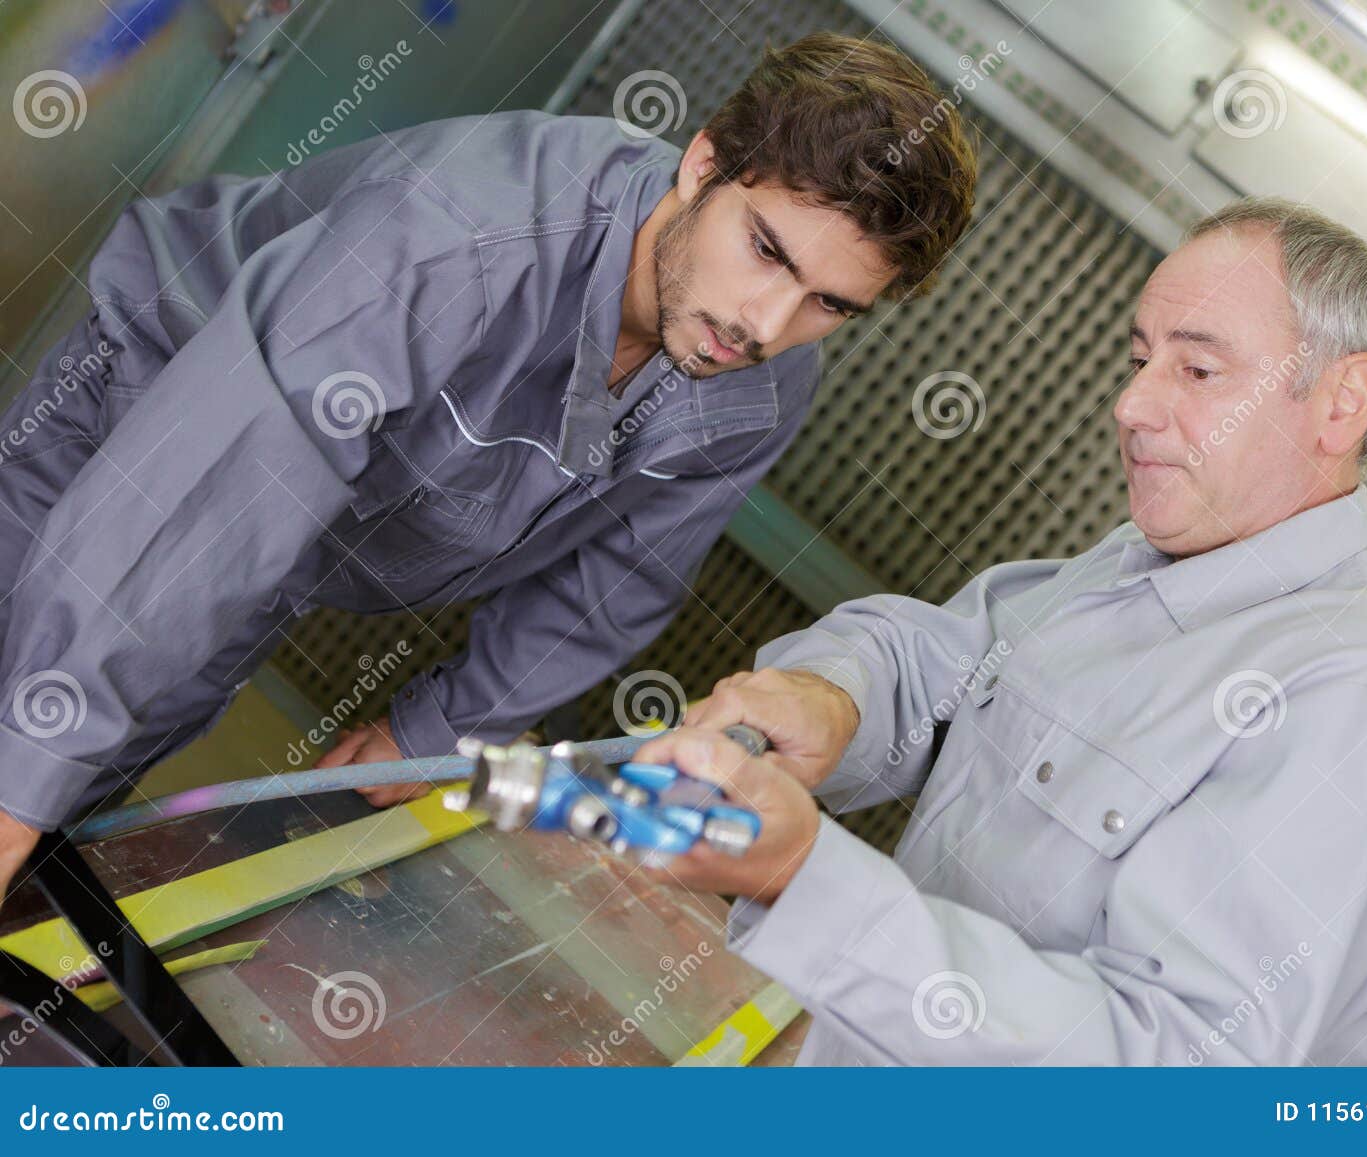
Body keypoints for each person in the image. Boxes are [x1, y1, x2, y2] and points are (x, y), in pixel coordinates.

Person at [0, 33, 978, 906]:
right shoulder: (466, 232)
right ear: (705, 161)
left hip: (267, 558)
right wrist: (23, 771)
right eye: (765, 250)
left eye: (830, 305)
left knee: (71, 796)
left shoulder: (759, 381)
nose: (764, 325)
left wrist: (443, 723)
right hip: (142, 444)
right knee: (30, 745)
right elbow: (225, 484)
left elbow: (619, 574)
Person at [635, 198, 1367, 1065]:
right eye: (1136, 359)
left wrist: (805, 880)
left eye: (1196, 372)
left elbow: (1175, 1069)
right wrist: (832, 697)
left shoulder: (1365, 706)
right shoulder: (1151, 562)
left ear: (1342, 403)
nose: (1131, 405)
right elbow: (948, 663)